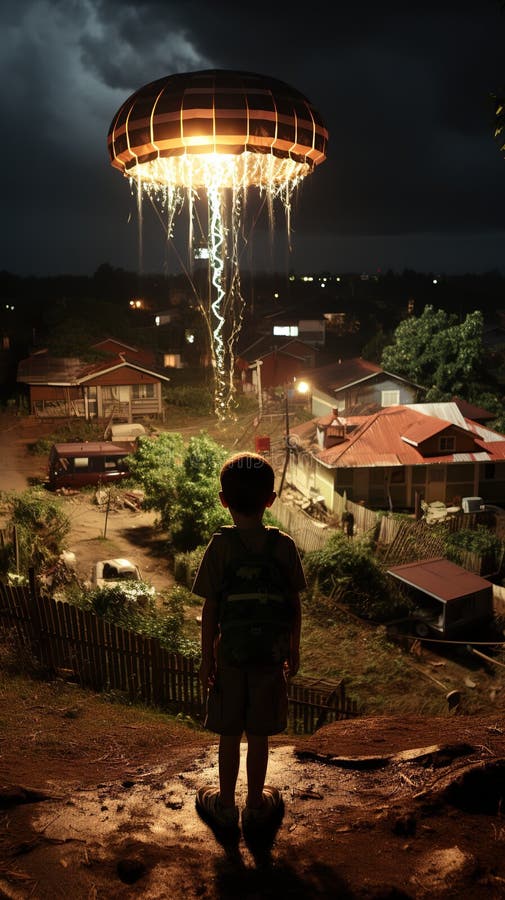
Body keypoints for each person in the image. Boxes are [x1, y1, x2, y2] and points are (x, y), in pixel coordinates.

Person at [193, 451, 306, 831]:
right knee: (258, 734)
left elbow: (211, 607)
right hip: (270, 658)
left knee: (229, 733)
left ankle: (225, 805)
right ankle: (256, 805)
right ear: (270, 500)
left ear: (223, 500)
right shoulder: (283, 546)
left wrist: (206, 659)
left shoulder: (220, 546)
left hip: (229, 657)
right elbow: (293, 604)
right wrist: (294, 647)